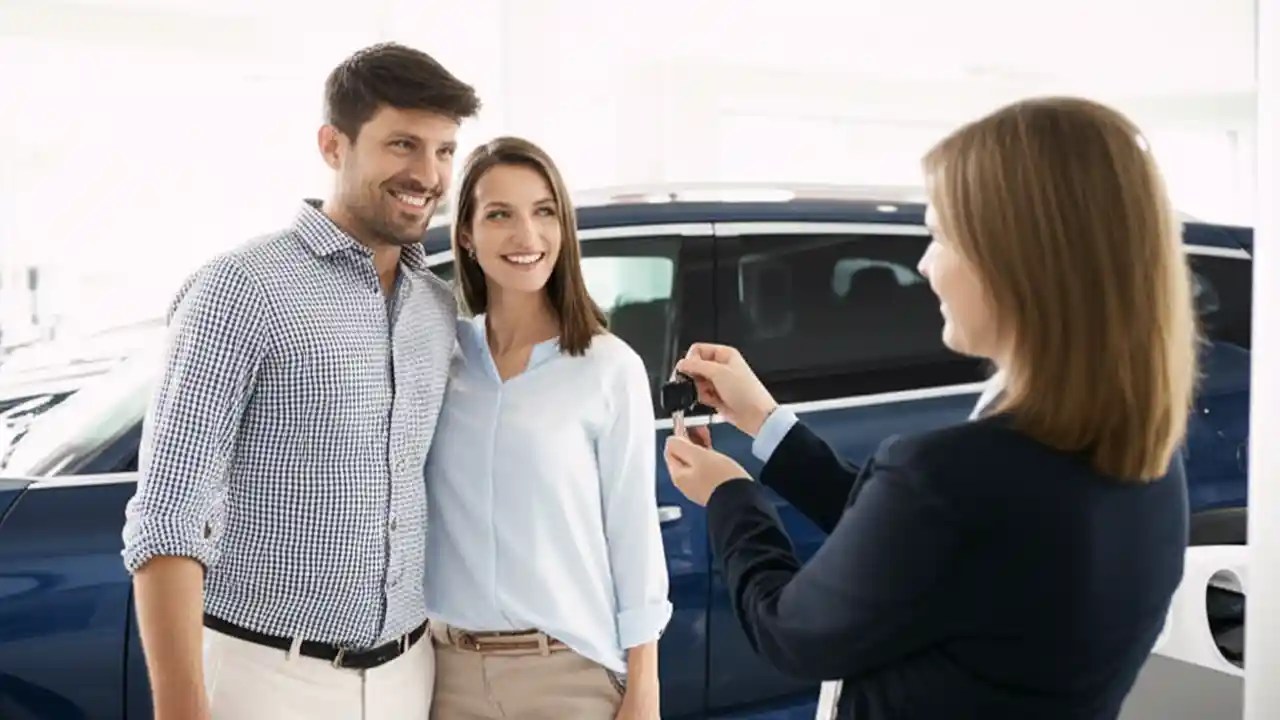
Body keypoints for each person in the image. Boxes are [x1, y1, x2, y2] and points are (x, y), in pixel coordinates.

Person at [662, 97, 1197, 720]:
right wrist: (766, 423)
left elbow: (793, 634)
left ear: (1015, 259)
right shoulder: (1147, 464)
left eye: (940, 236)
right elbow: (912, 546)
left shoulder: (951, 476)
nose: (923, 266)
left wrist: (731, 496)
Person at [120, 43, 480, 720]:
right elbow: (169, 516)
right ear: (332, 145)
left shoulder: (435, 307)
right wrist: (181, 707)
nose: (428, 174)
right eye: (402, 144)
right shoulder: (242, 288)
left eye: (444, 150)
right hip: (265, 678)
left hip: (409, 673)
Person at [423, 136, 670, 719]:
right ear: (466, 233)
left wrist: (644, 688)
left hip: (569, 677)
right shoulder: (439, 357)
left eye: (543, 212)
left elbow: (634, 536)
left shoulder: (608, 369)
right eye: (499, 215)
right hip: (445, 675)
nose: (526, 237)